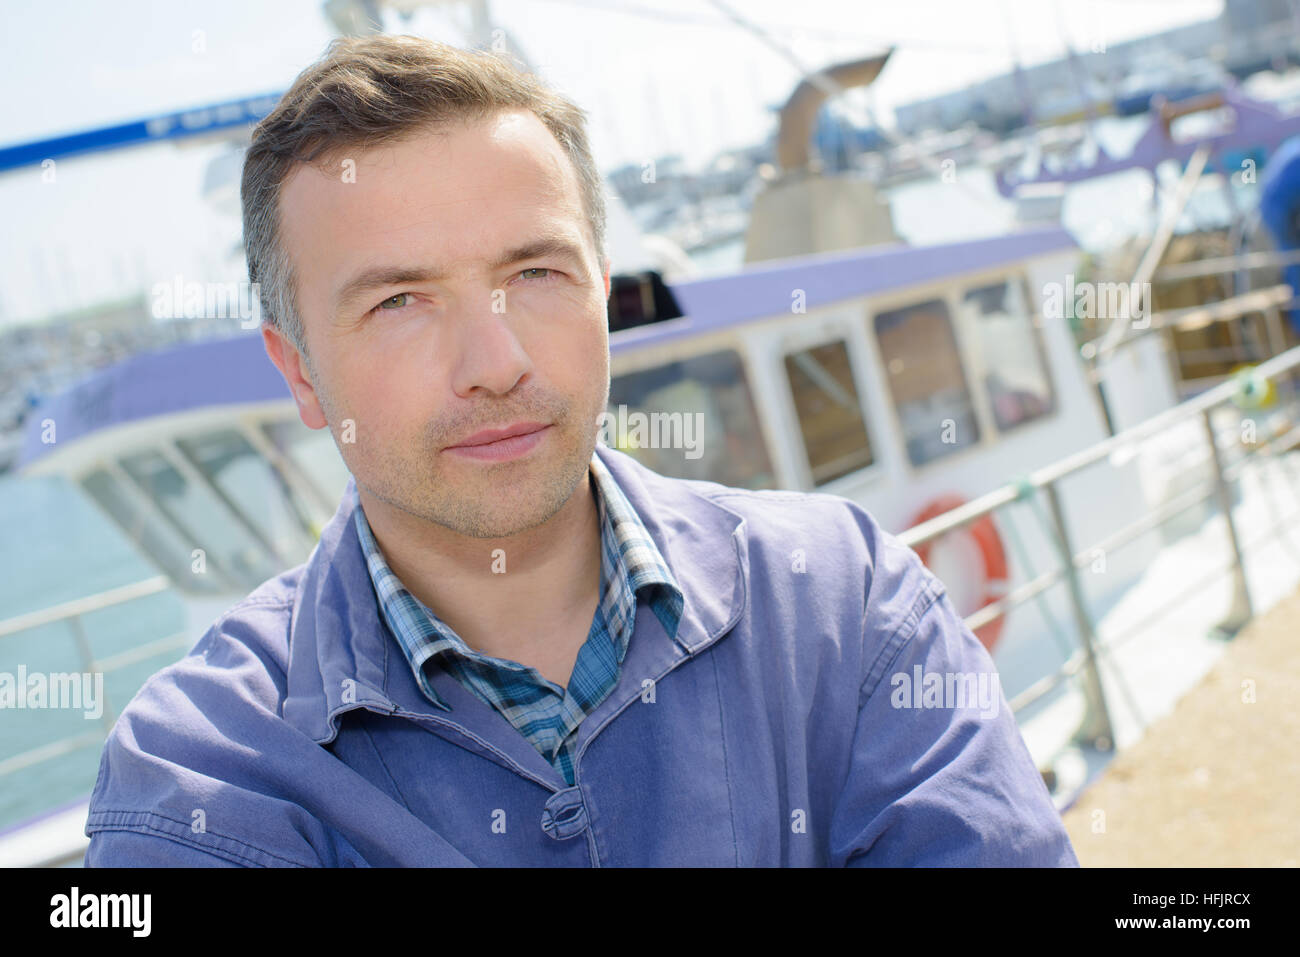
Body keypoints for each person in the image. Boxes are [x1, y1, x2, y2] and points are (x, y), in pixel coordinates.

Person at [83, 34, 1077, 867]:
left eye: (536, 273)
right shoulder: (199, 779)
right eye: (398, 303)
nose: (496, 362)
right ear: (299, 372)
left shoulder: (846, 601)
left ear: (602, 293)